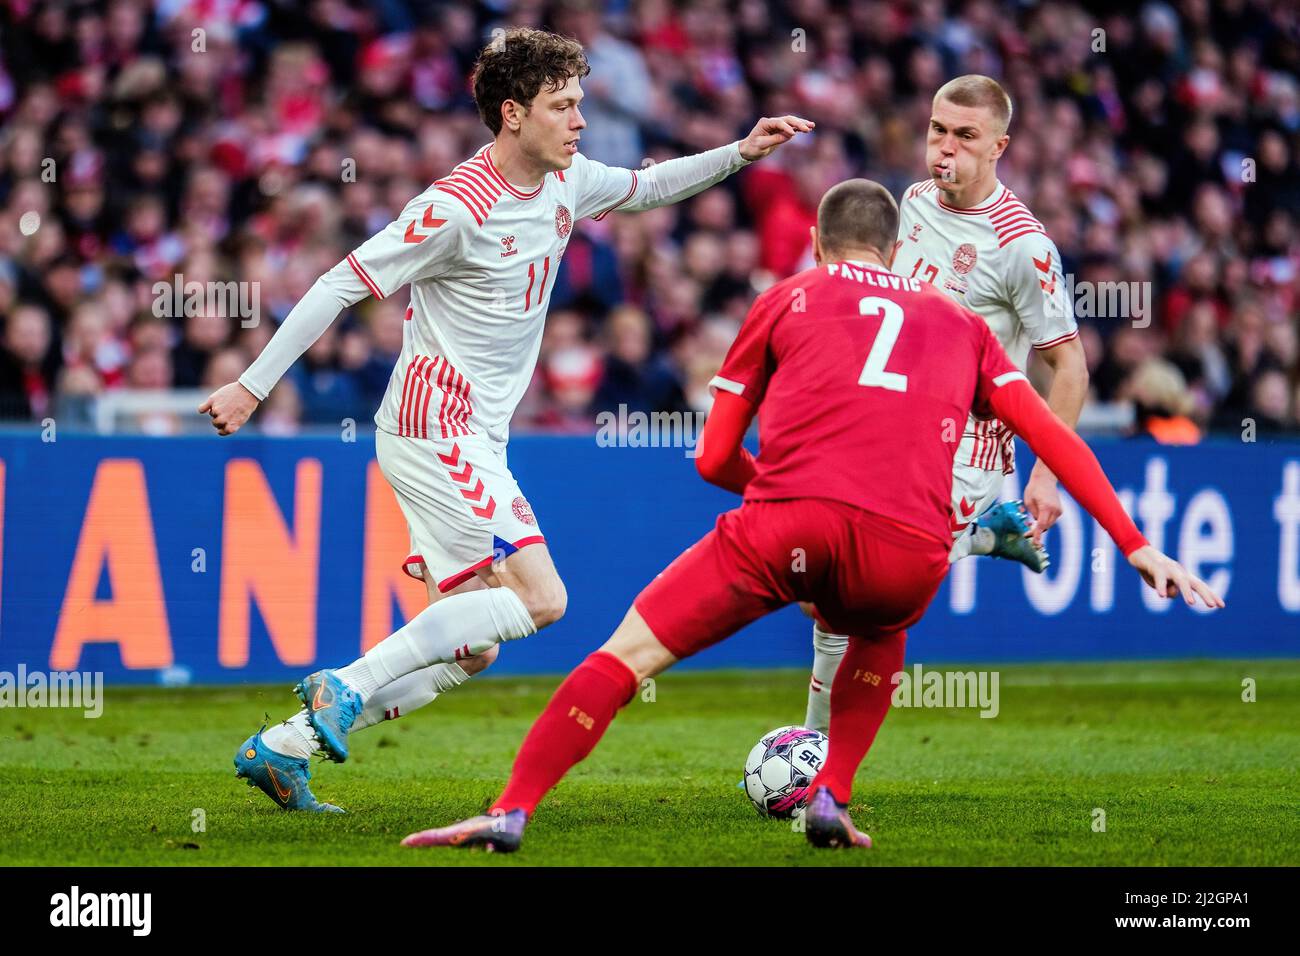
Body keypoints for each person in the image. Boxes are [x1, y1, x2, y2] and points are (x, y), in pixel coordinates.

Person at [400, 179, 1222, 853]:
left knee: (626, 657)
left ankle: (510, 809)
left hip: (786, 528)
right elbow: (1055, 436)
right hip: (907, 546)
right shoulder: (965, 326)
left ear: (821, 246)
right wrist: (1137, 543)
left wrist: (785, 495)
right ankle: (830, 796)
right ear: (899, 251)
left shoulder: (788, 299)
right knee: (879, 625)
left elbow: (714, 458)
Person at [201, 26, 813, 812]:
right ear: (514, 113)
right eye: (564, 106)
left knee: (474, 646)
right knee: (543, 599)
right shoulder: (456, 207)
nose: (581, 121)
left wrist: (739, 152)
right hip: (435, 424)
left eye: (581, 103)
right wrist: (252, 386)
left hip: (473, 432)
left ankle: (284, 746)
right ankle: (341, 689)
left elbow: (646, 187)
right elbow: (339, 284)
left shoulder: (568, 180)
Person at [802, 75, 1091, 734]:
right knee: (827, 598)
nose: (944, 149)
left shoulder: (1023, 246)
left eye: (964, 137)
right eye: (938, 131)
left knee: (858, 594)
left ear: (999, 146)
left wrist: (1048, 474)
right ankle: (989, 531)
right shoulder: (913, 202)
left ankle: (815, 762)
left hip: (966, 451)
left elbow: (1069, 366)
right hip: (890, 435)